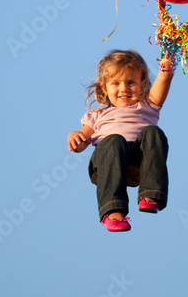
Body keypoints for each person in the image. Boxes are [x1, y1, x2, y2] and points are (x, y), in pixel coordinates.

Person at [67, 48, 175, 232]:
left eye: (131, 82)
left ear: (142, 84)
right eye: (116, 83)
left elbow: (164, 79)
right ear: (104, 88)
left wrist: (167, 60)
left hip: (140, 160)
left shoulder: (148, 105)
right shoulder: (97, 115)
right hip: (108, 162)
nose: (124, 88)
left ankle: (150, 195)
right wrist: (75, 137)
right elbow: (82, 140)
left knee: (154, 133)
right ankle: (113, 212)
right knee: (114, 140)